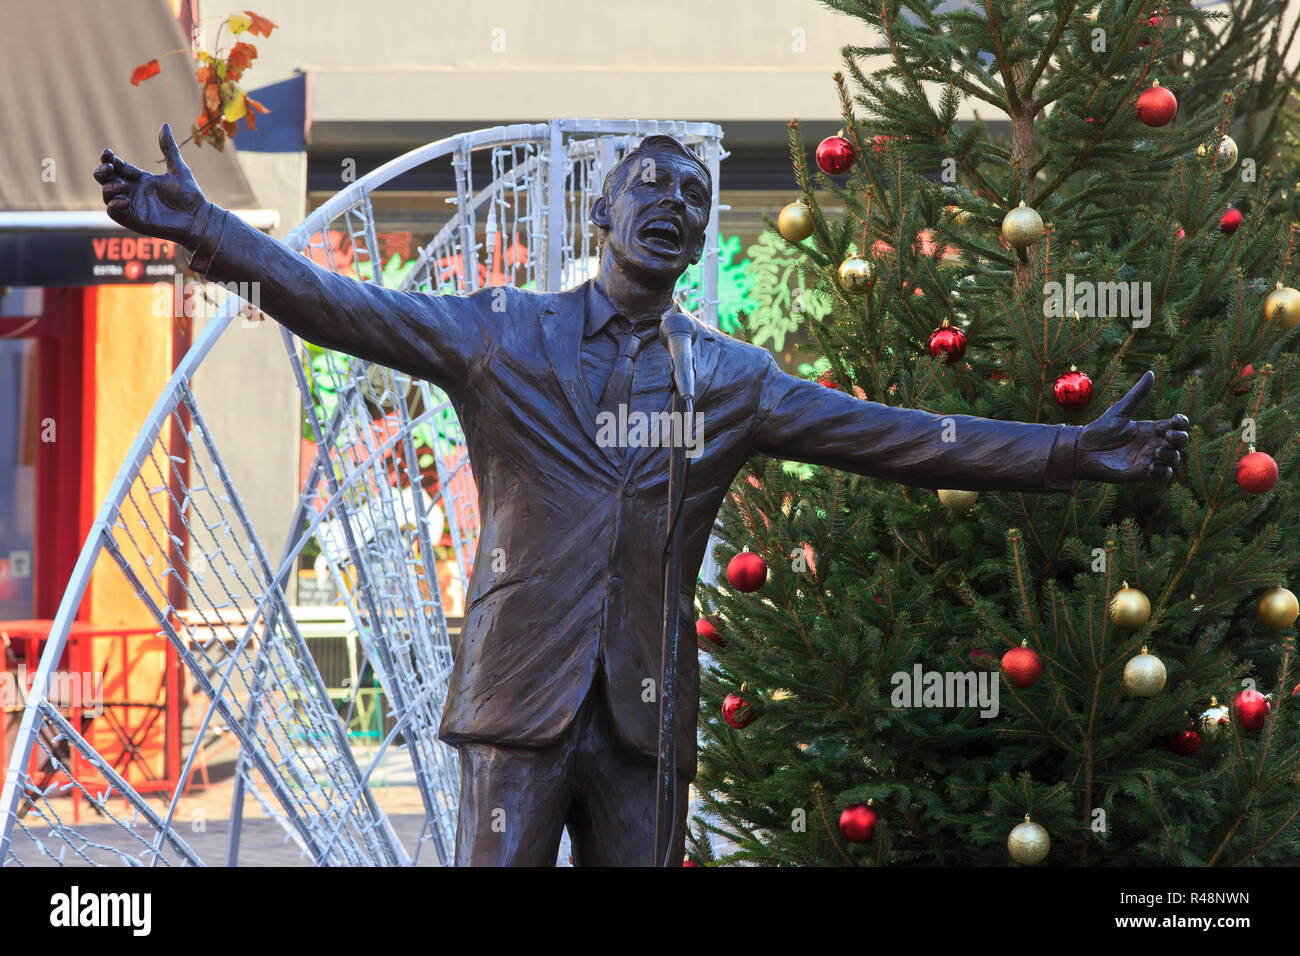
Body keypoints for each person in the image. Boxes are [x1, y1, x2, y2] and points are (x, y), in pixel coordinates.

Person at [94, 125, 1189, 866]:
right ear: (601, 207)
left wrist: (1066, 452)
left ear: (703, 238)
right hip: (518, 705)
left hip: (647, 718)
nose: (673, 205)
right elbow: (334, 303)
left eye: (695, 199)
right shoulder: (499, 336)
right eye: (651, 187)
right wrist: (205, 231)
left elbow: (899, 437)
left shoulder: (730, 378)